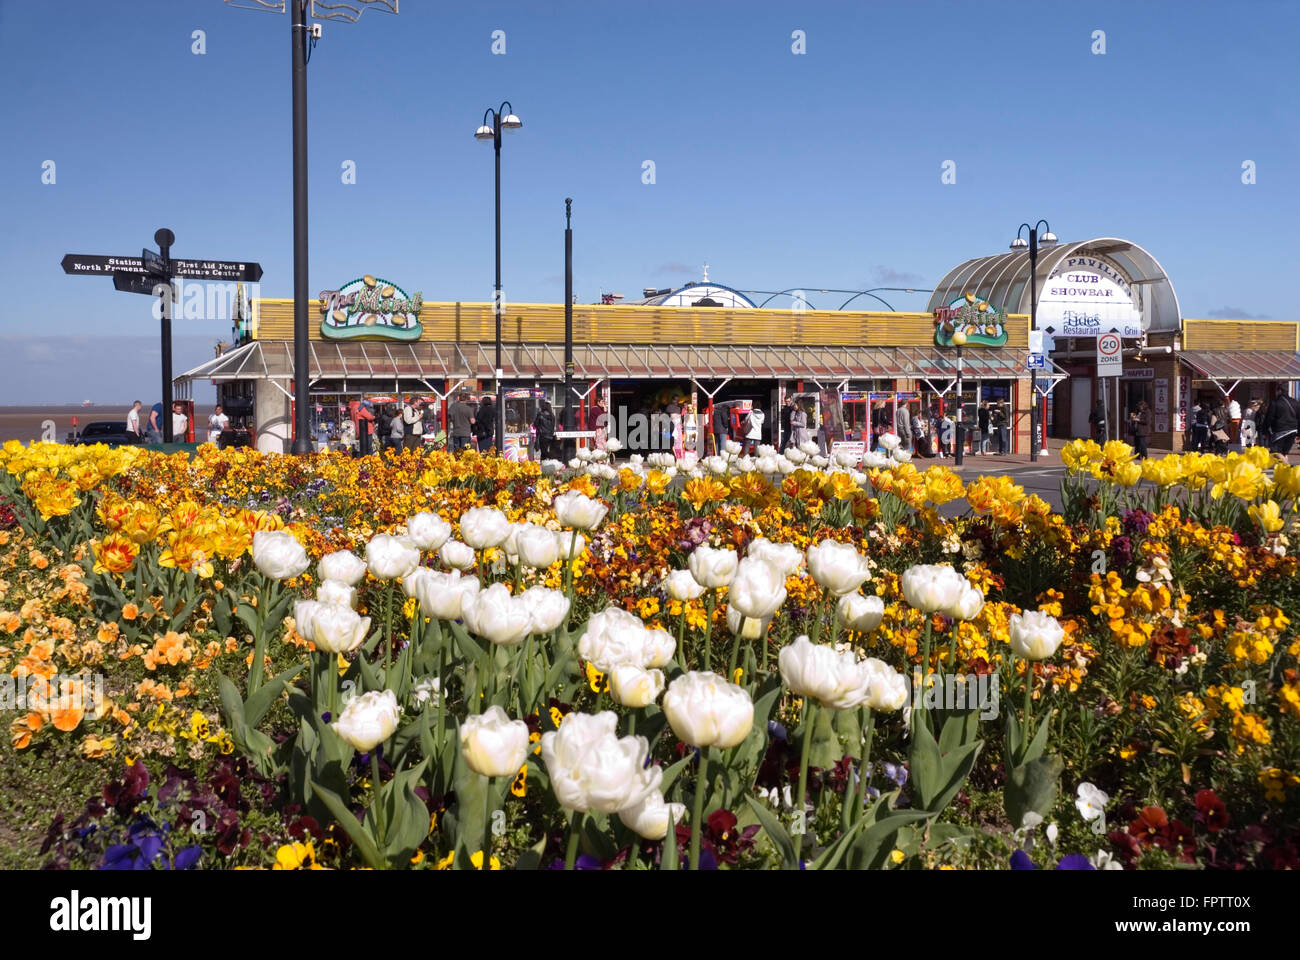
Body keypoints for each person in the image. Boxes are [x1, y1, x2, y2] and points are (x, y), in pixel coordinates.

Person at [1261, 387, 1298, 457]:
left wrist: (1265, 430)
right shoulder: (1295, 402)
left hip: (1281, 430)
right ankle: (1285, 467)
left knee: (1275, 452)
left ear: (1279, 391)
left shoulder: (1275, 402)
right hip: (1293, 429)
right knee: (1284, 453)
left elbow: (1269, 418)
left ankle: (1288, 466)